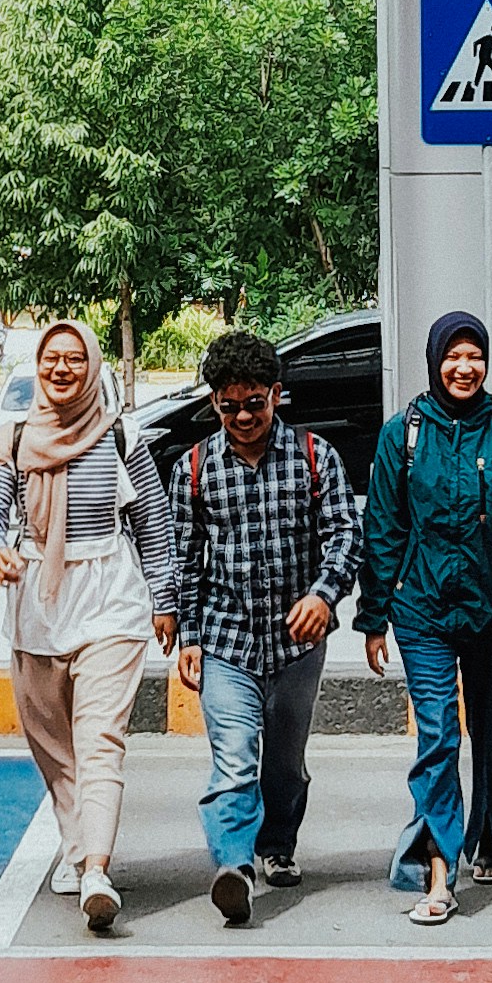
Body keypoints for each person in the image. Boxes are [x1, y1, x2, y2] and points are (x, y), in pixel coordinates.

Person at [0, 318, 176, 933]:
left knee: (99, 740)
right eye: (51, 359)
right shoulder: (15, 436)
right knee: (54, 745)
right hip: (36, 596)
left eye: (74, 359)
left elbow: (155, 525)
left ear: (93, 367)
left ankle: (96, 870)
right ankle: (75, 843)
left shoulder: (120, 434)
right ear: (38, 367)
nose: (62, 370)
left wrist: (165, 601)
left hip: (110, 594)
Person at [359, 309, 492, 927]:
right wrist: (373, 616)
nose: (464, 367)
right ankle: (440, 872)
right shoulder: (404, 434)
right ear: (434, 361)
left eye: (474, 356)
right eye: (453, 356)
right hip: (422, 610)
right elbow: (384, 529)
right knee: (438, 737)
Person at [168, 326, 363, 925]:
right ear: (214, 405)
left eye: (255, 402)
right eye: (230, 406)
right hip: (227, 640)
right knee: (233, 757)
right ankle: (234, 865)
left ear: (276, 396)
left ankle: (276, 845)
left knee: (283, 761)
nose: (244, 416)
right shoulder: (195, 469)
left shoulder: (313, 457)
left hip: (298, 644)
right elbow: (186, 559)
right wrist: (192, 637)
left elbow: (347, 535)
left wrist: (324, 596)